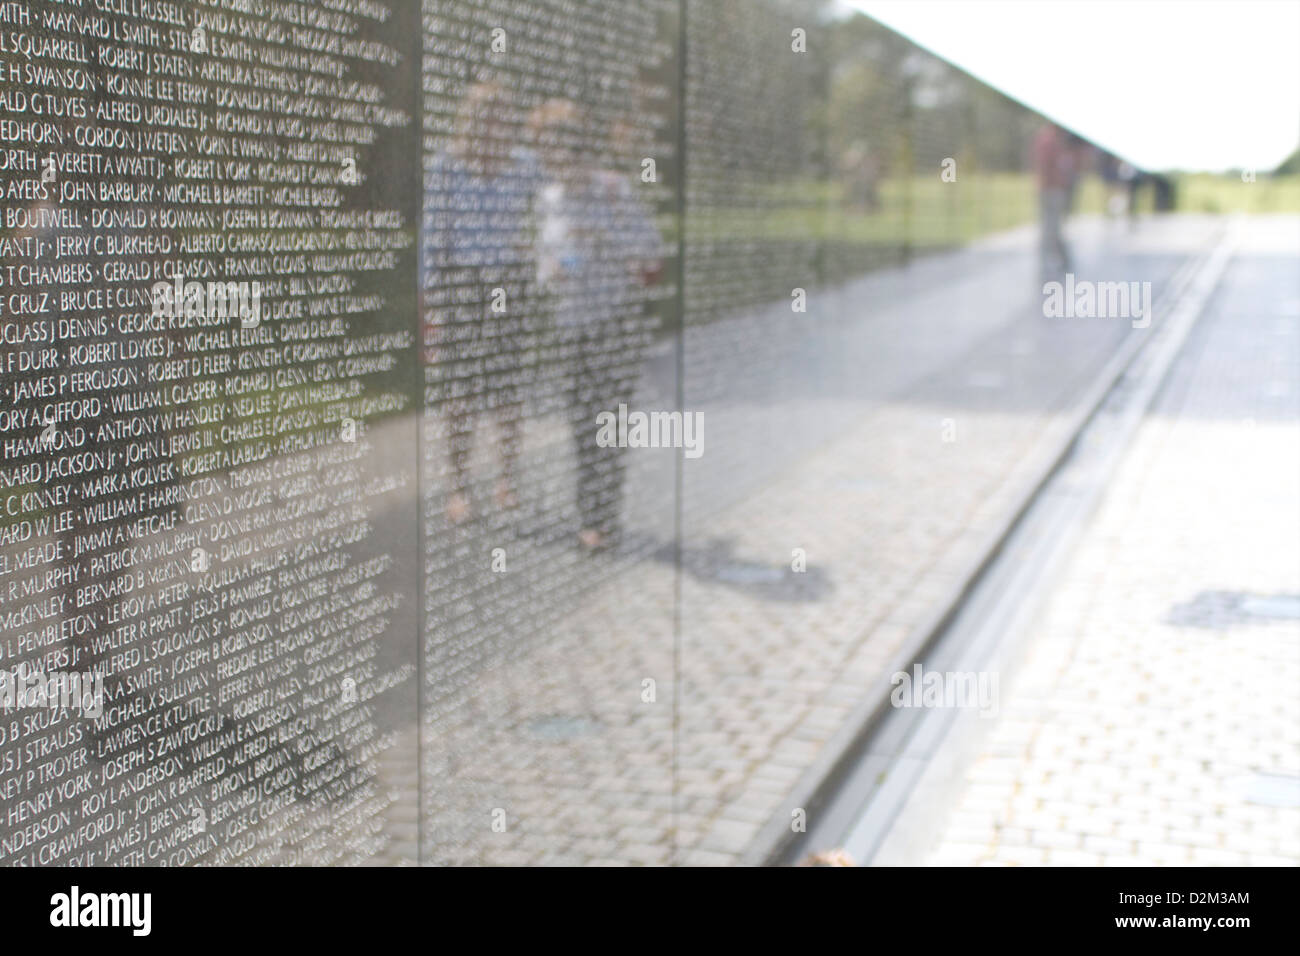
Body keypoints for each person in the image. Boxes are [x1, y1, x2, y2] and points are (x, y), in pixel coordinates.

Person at [530, 99, 663, 551]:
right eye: (549, 148)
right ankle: (591, 516)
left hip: (614, 320)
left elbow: (650, 249)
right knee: (583, 422)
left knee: (613, 420)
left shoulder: (613, 190)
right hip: (572, 325)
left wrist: (603, 237)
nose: (559, 157)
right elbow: (542, 266)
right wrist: (552, 269)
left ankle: (605, 515)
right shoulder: (548, 200)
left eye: (566, 145)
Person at [425, 81, 541, 524]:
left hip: (507, 281)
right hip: (463, 283)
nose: (497, 125)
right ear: (472, 121)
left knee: (507, 390)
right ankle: (458, 485)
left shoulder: (524, 165)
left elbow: (554, 206)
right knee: (461, 392)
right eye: (489, 116)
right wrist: (431, 301)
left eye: (504, 116)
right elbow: (435, 236)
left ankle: (507, 478)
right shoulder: (447, 166)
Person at [1032, 123, 1076, 278]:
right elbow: (1046, 165)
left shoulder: (1055, 140)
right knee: (1050, 227)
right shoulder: (1049, 141)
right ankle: (1051, 260)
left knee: (1053, 226)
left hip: (1053, 188)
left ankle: (1060, 259)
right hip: (1050, 189)